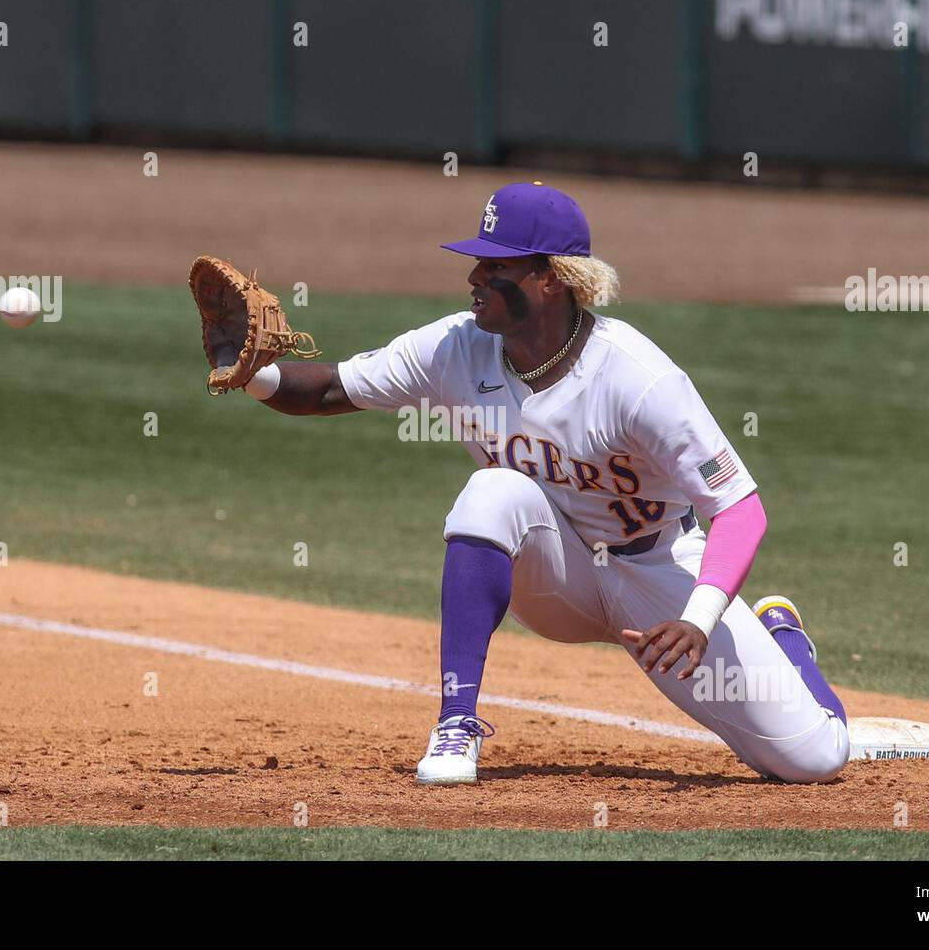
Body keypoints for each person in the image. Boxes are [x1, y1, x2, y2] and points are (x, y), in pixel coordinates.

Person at [242, 181, 849, 786]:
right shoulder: (456, 346)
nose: (475, 276)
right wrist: (249, 373)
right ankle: (456, 724)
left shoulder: (637, 377)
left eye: (495, 263)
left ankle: (784, 637)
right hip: (556, 575)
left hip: (659, 571)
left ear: (550, 277)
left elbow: (740, 509)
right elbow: (327, 389)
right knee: (494, 492)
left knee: (815, 760)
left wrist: (700, 616)